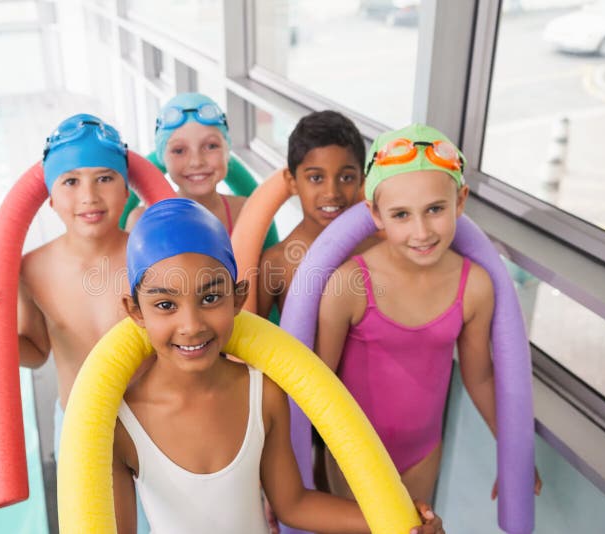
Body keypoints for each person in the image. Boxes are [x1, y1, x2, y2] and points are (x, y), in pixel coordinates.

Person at [113, 197, 445, 534]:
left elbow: (293, 504)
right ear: (136, 311)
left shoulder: (262, 393)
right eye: (166, 304)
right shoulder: (121, 423)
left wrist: (400, 522)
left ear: (239, 297)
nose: (191, 324)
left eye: (211, 298)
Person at [316, 124, 542, 504]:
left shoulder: (474, 286)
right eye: (401, 215)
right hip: (352, 451)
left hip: (422, 454)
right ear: (375, 213)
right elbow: (314, 381)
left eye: (435, 209)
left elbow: (482, 376)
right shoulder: (349, 285)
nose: (421, 232)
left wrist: (514, 453)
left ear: (460, 201)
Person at [0, 113, 131, 460]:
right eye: (70, 181)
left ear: (127, 189)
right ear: (49, 198)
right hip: (80, 424)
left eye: (104, 178)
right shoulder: (31, 269)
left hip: (155, 420)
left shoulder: (152, 258)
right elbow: (37, 353)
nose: (89, 196)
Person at [257, 110, 377, 318]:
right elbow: (252, 338)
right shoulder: (276, 263)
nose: (332, 193)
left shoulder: (377, 251)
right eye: (316, 178)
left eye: (346, 177)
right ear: (292, 181)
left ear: (362, 181)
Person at [125, 93, 246, 234]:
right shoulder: (142, 221)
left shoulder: (246, 211)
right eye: (179, 150)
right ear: (162, 158)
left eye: (211, 146)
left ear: (227, 150)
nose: (197, 162)